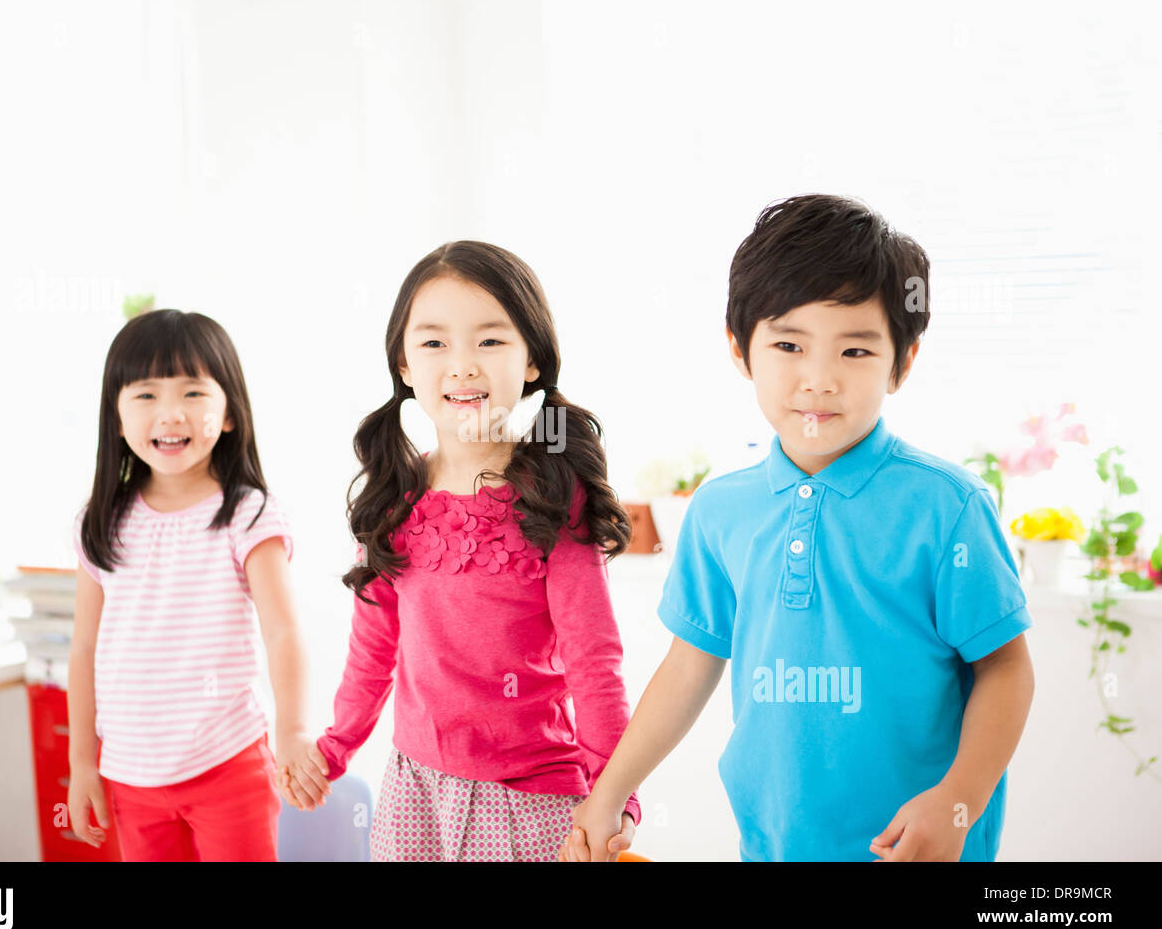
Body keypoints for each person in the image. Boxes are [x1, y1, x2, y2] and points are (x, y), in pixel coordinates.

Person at [565, 194, 1036, 861]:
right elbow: (691, 664)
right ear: (740, 348)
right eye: (788, 344)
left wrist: (958, 801)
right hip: (773, 844)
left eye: (855, 351)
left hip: (914, 846)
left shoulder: (947, 507)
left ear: (902, 362)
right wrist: (609, 793)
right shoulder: (719, 510)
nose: (819, 380)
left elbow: (1007, 672)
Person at [283, 240, 641, 861]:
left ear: (532, 360)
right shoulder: (394, 496)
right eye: (434, 343)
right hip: (414, 791)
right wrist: (336, 746)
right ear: (403, 365)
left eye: (490, 340)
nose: (462, 365)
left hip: (529, 796)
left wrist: (614, 793)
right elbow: (373, 648)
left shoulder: (557, 496)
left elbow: (594, 659)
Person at [68, 308, 314, 861]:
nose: (170, 413)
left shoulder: (248, 514)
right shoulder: (100, 521)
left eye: (193, 393)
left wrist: (295, 730)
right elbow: (82, 649)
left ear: (229, 413)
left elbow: (283, 633)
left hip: (228, 763)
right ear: (117, 416)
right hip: (130, 772)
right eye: (147, 395)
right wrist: (82, 762)